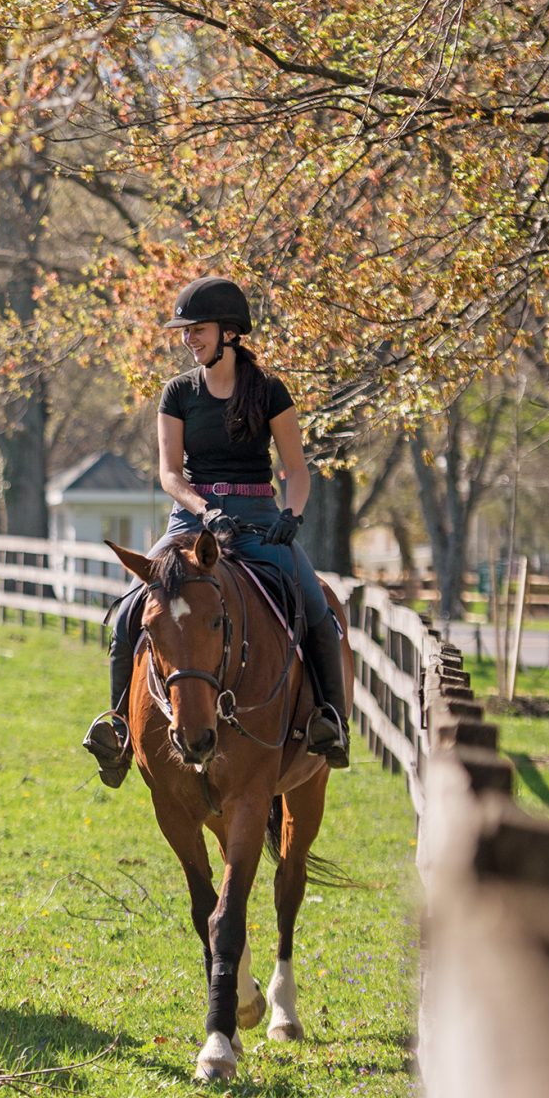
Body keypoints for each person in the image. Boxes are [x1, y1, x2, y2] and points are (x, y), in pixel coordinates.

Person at [81, 275, 351, 786]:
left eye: (197, 329)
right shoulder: (177, 393)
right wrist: (204, 512)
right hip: (191, 521)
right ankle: (118, 727)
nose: (188, 338)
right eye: (184, 331)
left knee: (316, 604)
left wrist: (291, 518)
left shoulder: (269, 390)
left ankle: (329, 721)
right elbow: (169, 474)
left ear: (229, 332)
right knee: (129, 612)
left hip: (260, 522)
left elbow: (296, 469)